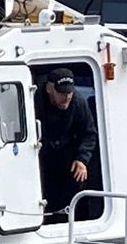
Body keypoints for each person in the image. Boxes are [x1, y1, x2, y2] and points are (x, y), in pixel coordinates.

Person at [34, 67, 98, 222]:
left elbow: (89, 133)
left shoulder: (78, 102)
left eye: (69, 92)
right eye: (62, 93)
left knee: (78, 178)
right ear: (49, 89)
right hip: (42, 153)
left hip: (67, 152)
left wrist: (83, 159)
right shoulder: (35, 101)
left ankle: (79, 221)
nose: (66, 97)